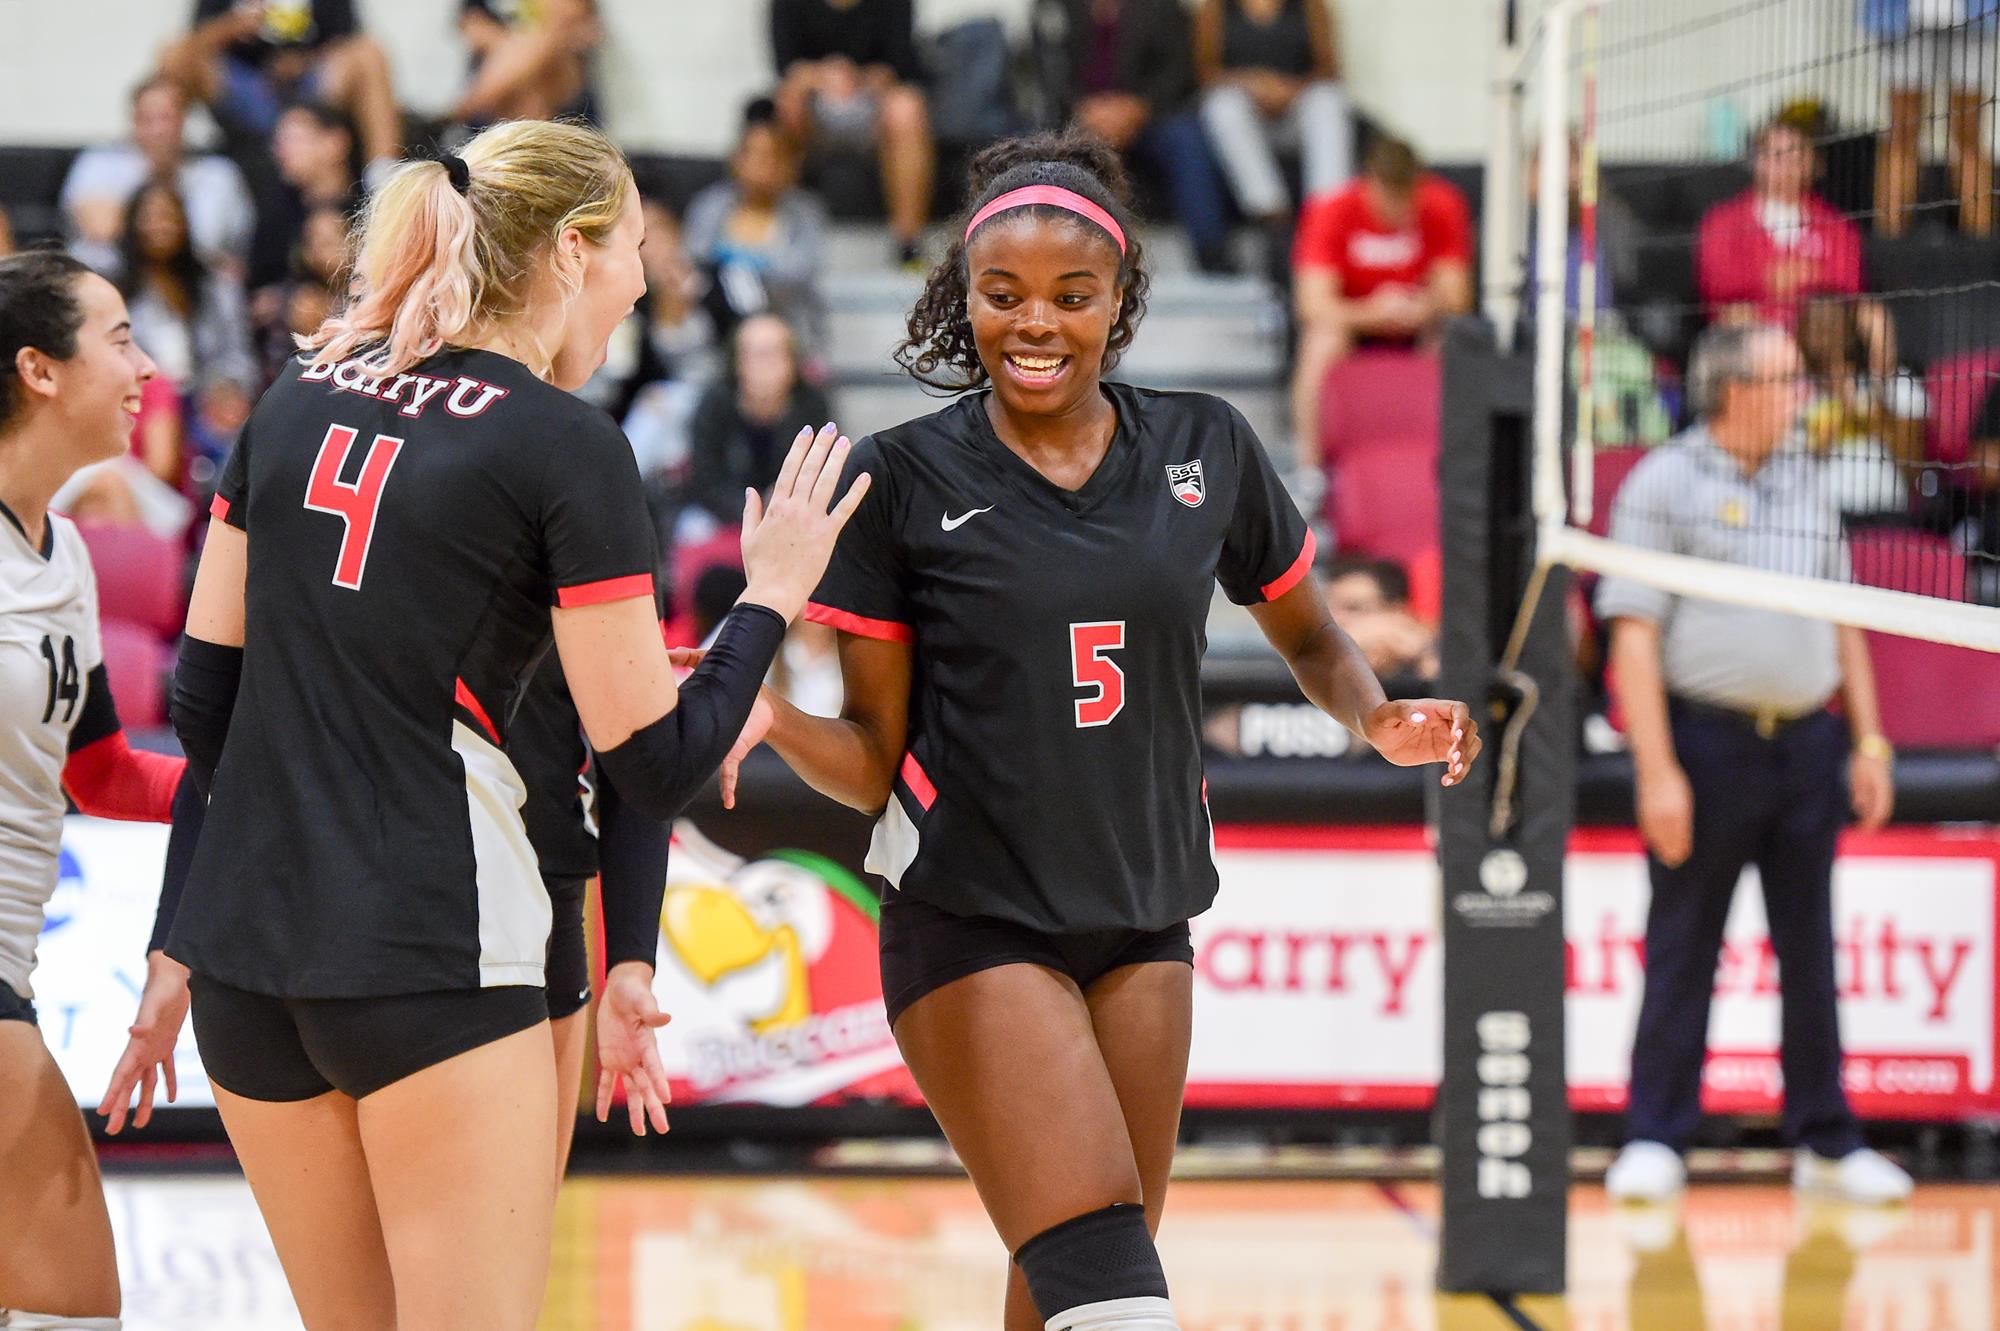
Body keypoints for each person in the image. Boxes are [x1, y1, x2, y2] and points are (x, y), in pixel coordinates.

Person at [720, 130, 1479, 1331]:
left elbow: (1314, 640)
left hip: (1144, 915)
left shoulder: (1206, 445)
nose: (1035, 324)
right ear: (961, 293)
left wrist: (1373, 713)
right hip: (972, 919)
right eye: (1002, 294)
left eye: (1071, 297)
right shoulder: (901, 478)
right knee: (1117, 1294)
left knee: (1065, 1283)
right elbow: (871, 760)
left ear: (1117, 303)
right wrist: (769, 716)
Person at [148, 120, 865, 1330]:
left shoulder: (296, 391)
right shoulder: (565, 446)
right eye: (635, 247)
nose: (643, 280)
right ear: (573, 251)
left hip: (248, 962)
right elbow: (655, 759)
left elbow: (200, 701)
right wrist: (770, 597)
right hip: (433, 945)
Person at [1595, 322, 1912, 1206]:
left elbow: (1842, 612)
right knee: (1684, 943)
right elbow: (1632, 637)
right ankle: (1657, 1133)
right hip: (1708, 745)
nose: (1803, 392)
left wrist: (1869, 739)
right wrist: (1657, 771)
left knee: (1810, 947)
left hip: (1808, 743)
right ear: (1736, 390)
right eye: (1787, 378)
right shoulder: (1664, 482)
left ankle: (1827, 1139)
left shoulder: (1807, 477)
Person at [0, 250, 188, 1331]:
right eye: (118, 338)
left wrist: (250, 780)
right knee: (76, 1307)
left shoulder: (64, 553)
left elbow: (101, 772)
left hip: (10, 970)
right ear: (37, 368)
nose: (146, 366)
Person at [1289, 136, 1472, 472]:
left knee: (1453, 340)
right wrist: (1373, 312)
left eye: (1405, 196)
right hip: (1355, 323)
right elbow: (1311, 305)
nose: (1396, 208)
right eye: (1388, 195)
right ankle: (1310, 469)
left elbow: (1456, 296)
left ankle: (1450, 463)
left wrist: (1425, 306)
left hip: (1418, 323)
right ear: (1368, 183)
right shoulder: (1331, 209)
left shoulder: (1442, 204)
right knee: (1320, 341)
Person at [1031, 0, 1235, 274]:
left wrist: (1136, 109)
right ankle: (1042, 256)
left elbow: (1178, 71)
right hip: (1076, 118)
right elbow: (1046, 71)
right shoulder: (1053, 7)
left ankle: (1212, 254)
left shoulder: (1164, 7)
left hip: (1147, 118)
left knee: (1188, 142)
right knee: (1032, 143)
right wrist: (1085, 110)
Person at [158, 0, 400, 183]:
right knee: (173, 54)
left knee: (370, 55)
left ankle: (383, 181)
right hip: (245, 89)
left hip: (310, 85)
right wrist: (231, 26)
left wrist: (302, 60)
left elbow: (345, 34)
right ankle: (165, 175)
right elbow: (194, 43)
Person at [770, 0, 934, 266]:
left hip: (872, 107)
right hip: (815, 111)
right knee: (786, 103)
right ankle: (782, 232)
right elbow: (786, 68)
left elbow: (901, 65)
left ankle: (908, 242)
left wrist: (855, 79)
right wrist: (823, 77)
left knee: (908, 107)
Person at [119, 179, 260, 466]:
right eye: (149, 216)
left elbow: (239, 354)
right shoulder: (117, 291)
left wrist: (227, 387)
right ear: (133, 225)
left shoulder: (217, 285)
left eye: (168, 216)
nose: (159, 225)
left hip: (206, 401)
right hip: (144, 406)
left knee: (235, 447)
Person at [60, 76, 257, 277]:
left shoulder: (219, 175)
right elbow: (100, 228)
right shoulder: (99, 164)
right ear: (133, 122)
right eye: (147, 119)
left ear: (184, 120)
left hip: (193, 289)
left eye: (166, 118)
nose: (158, 130)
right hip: (117, 282)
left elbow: (215, 241)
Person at [683, 102, 831, 352]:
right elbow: (692, 262)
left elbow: (801, 271)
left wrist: (736, 264)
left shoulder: (805, 212)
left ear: (789, 165)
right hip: (717, 332)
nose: (764, 167)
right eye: (754, 155)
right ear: (736, 159)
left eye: (773, 156)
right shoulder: (711, 206)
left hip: (788, 333)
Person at [1193, 0, 1351, 228]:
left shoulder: (1310, 6)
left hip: (1297, 111)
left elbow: (1328, 68)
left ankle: (1325, 213)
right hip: (1247, 114)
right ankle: (1270, 212)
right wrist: (1250, 84)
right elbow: (1206, 73)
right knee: (1222, 105)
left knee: (1328, 100)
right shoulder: (1216, 8)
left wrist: (1288, 89)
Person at [1695, 117, 1863, 328]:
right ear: (1755, 161)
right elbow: (1717, 286)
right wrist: (1769, 278)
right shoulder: (1723, 221)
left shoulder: (1836, 225)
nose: (1785, 167)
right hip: (1755, 324)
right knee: (1736, 316)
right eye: (1776, 156)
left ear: (1815, 164)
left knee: (1870, 317)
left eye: (1796, 156)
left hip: (1817, 326)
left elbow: (1848, 285)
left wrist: (1800, 278)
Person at [684, 314, 834, 532]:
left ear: (793, 360)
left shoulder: (812, 403)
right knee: (693, 528)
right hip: (724, 514)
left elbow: (823, 471)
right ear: (737, 361)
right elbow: (705, 479)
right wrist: (753, 508)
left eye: (774, 353)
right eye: (755, 354)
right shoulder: (714, 403)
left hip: (791, 511)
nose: (765, 364)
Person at [1868, 0, 1996, 238]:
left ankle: (1981, 247)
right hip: (1899, 14)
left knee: (1969, 133)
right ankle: (1890, 245)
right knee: (1901, 132)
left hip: (1974, 13)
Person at [1796, 295, 1924, 518]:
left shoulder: (1900, 386)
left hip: (1886, 514)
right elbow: (1794, 465)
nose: (1823, 339)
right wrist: (1839, 405)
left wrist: (1876, 392)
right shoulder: (1798, 391)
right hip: (1819, 516)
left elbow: (1913, 469)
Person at [454, 0, 603, 126]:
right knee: (526, 73)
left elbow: (574, 27)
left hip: (560, 70)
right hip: (514, 78)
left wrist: (520, 49)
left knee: (536, 52)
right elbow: (473, 27)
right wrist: (512, 47)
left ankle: (464, 111)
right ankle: (535, 146)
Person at [1323, 555, 1436, 682]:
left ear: (1396, 613)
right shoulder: (1311, 666)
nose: (1335, 619)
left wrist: (1424, 657)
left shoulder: (1430, 659)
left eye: (1353, 608)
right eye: (1326, 609)